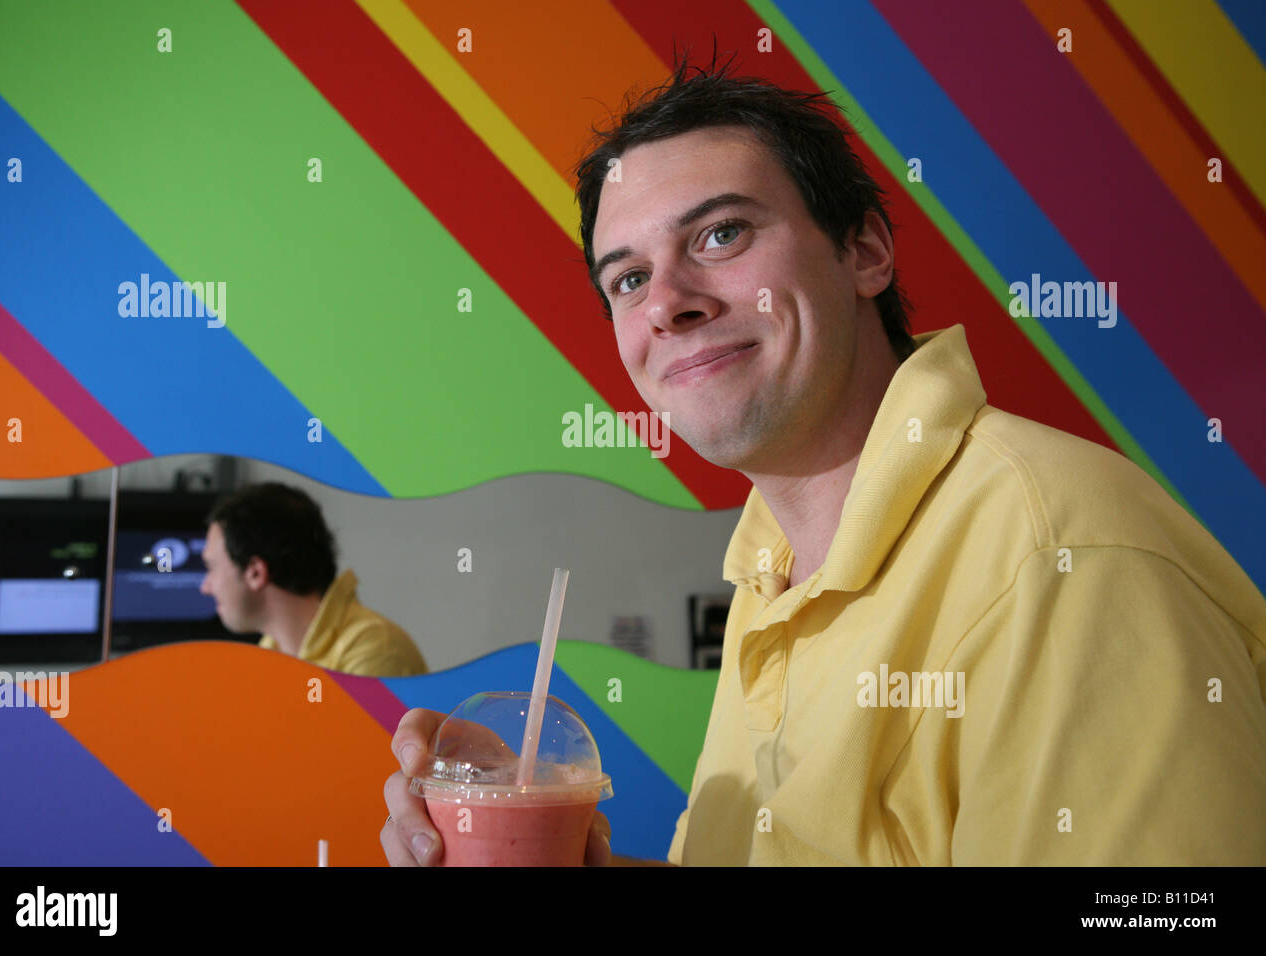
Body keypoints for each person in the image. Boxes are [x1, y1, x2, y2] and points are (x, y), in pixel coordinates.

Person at [382, 55, 1266, 865]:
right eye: (628, 278)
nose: (668, 304)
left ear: (864, 252)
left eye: (721, 234)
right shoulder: (772, 565)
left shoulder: (1059, 560)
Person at [200, 482, 427, 678]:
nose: (205, 587)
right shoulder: (268, 653)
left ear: (256, 573)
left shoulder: (375, 649)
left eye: (211, 568)